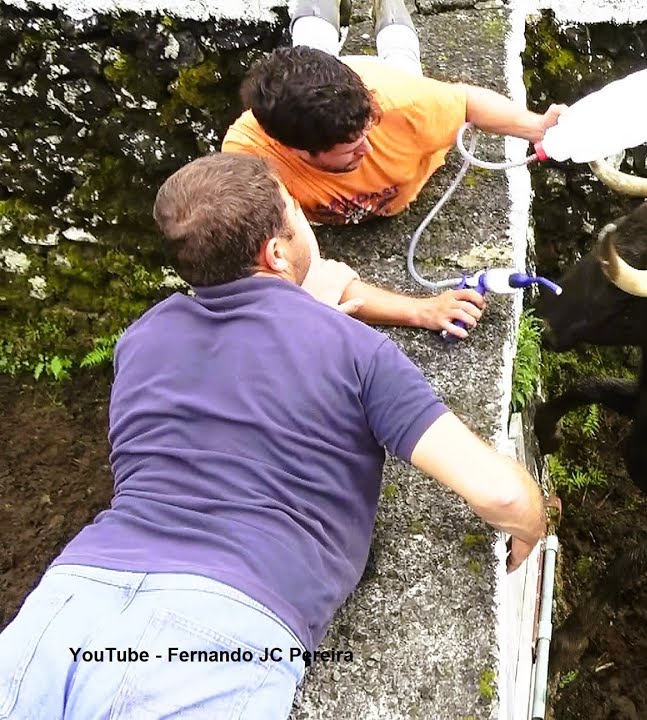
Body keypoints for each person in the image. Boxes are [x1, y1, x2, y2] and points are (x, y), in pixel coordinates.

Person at [0, 152, 547, 717]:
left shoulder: (144, 333)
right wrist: (535, 519)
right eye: (295, 210)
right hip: (223, 621)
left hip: (71, 596)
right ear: (277, 250)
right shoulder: (355, 351)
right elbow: (499, 494)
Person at [221, 0, 567, 338]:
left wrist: (536, 126)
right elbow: (306, 275)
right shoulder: (252, 160)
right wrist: (421, 310)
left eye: (366, 133)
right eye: (351, 149)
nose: (368, 149)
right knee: (310, 48)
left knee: (401, 64)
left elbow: (466, 102)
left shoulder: (396, 102)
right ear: (297, 151)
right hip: (315, 120)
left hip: (391, 85)